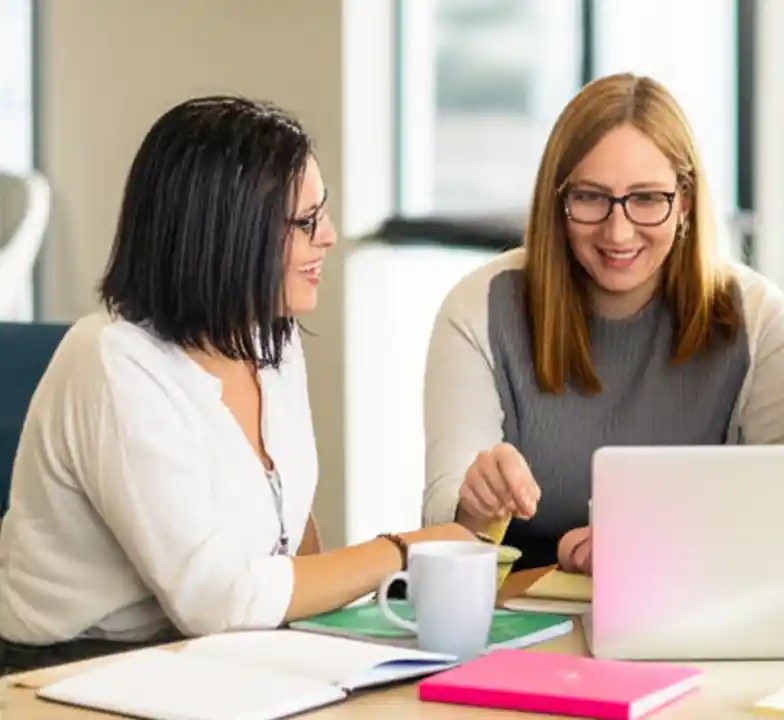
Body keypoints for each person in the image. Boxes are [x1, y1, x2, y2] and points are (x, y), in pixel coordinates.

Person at [0, 96, 472, 674]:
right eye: (305, 221)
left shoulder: (269, 337)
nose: (328, 236)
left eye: (322, 212)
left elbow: (291, 536)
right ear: (227, 234)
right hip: (65, 671)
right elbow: (215, 602)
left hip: (210, 656)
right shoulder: (113, 362)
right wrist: (403, 550)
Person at [421, 73, 784, 574]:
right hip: (515, 609)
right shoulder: (478, 308)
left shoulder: (760, 321)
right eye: (590, 197)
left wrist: (646, 546)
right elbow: (443, 534)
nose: (619, 232)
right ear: (558, 202)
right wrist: (478, 505)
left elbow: (783, 531)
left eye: (647, 198)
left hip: (696, 600)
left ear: (685, 202)